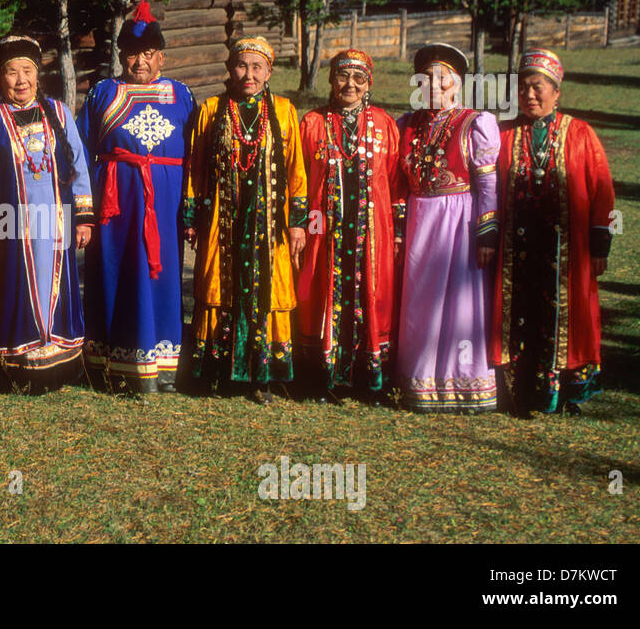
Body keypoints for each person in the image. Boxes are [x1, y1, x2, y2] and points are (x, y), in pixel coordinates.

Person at [78, 1, 195, 395]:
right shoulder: (102, 93)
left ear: (161, 55)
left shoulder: (182, 96)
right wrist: (84, 212)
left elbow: (195, 155)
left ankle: (163, 367)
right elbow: (81, 152)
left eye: (148, 54)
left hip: (164, 208)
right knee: (115, 273)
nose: (140, 62)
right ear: (120, 55)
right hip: (116, 207)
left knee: (160, 276)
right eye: (131, 53)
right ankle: (111, 362)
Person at [490, 48, 615, 417]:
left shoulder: (580, 134)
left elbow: (602, 190)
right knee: (520, 313)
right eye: (523, 87)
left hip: (566, 251)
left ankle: (565, 394)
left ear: (556, 91)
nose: (529, 94)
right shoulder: (503, 135)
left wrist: (600, 243)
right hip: (516, 249)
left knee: (567, 312)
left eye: (538, 87)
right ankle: (520, 390)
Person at [183, 36, 307, 404]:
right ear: (229, 69)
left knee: (267, 289)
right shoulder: (210, 109)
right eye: (242, 65)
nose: (248, 74)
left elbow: (296, 170)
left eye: (257, 67)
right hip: (223, 218)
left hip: (269, 223)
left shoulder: (284, 111)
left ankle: (261, 375)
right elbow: (196, 168)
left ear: (269, 71)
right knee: (218, 286)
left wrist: (298, 221)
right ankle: (217, 372)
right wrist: (192, 216)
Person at [0, 35, 94, 394]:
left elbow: (78, 165)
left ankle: (62, 364)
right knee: (14, 289)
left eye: (28, 71)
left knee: (58, 288)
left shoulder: (57, 112)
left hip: (56, 221)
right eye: (11, 72)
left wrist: (83, 216)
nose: (21, 80)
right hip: (12, 224)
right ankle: (17, 368)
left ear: (38, 76)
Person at [394, 43, 500, 413]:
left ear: (457, 85)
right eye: (426, 79)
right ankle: (419, 379)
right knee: (420, 300)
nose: (434, 86)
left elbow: (487, 184)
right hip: (419, 222)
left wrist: (486, 231)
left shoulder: (476, 123)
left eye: (443, 80)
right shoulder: (405, 124)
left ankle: (463, 380)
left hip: (459, 222)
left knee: (459, 300)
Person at [295, 49, 401, 405]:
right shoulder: (312, 123)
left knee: (374, 294)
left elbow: (396, 180)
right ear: (331, 80)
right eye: (342, 77)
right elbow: (300, 180)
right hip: (324, 229)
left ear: (369, 83)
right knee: (321, 292)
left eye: (358, 78)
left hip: (373, 231)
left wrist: (397, 231)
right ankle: (321, 379)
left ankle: (368, 381)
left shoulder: (385, 124)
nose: (350, 85)